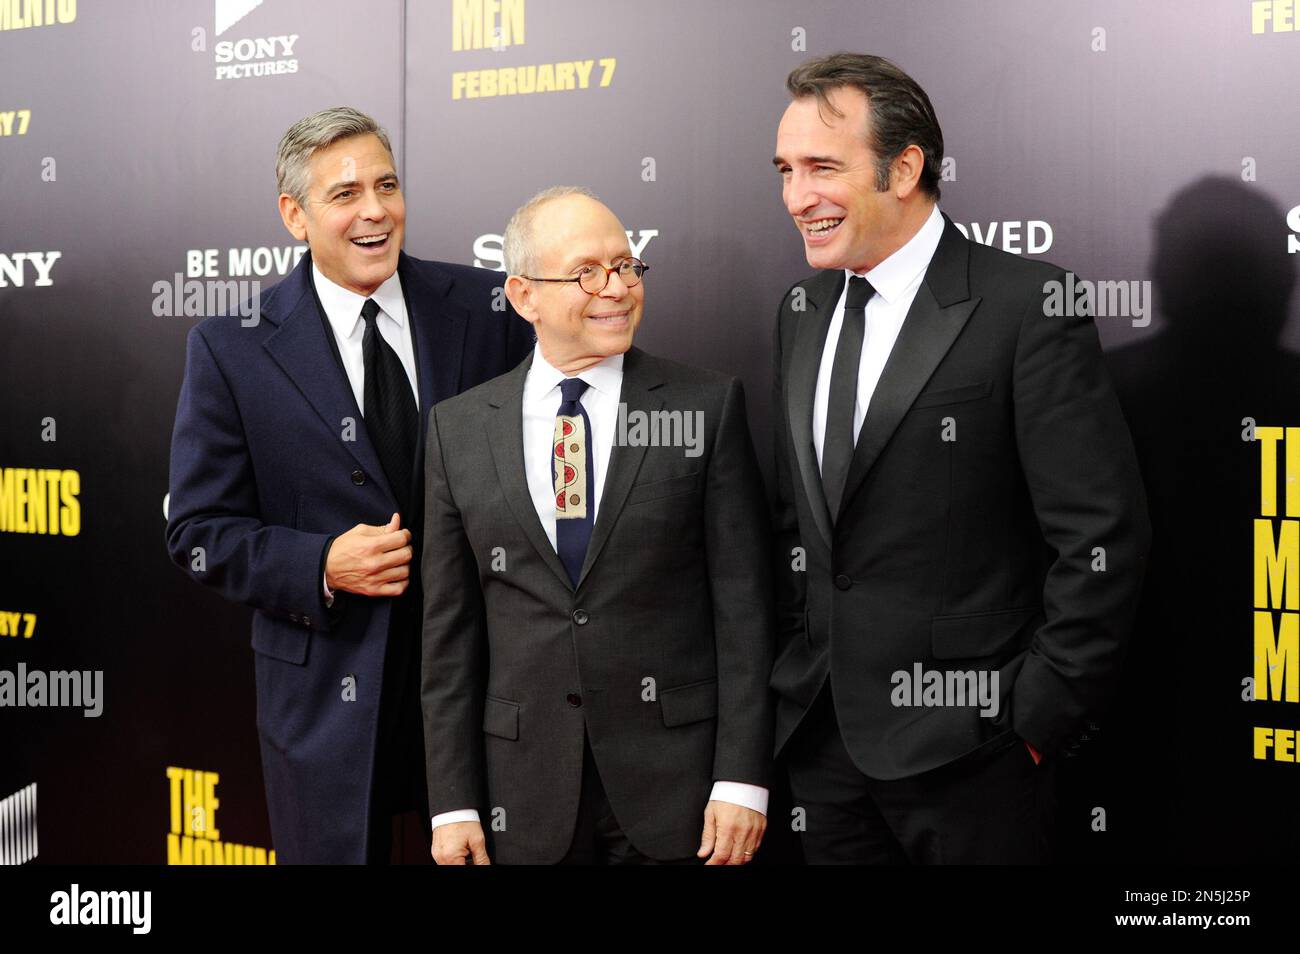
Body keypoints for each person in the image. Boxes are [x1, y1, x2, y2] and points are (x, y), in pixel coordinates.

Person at [768, 53, 1151, 863]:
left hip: (973, 757)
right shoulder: (801, 310)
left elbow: (1099, 538)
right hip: (826, 756)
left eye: (822, 168)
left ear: (904, 167)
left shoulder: (1027, 307)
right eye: (786, 170)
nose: (797, 197)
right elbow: (795, 525)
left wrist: (1036, 721)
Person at [166, 106, 533, 863]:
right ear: (294, 216)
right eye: (345, 194)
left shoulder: (491, 309)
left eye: (387, 185)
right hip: (326, 694)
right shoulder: (230, 347)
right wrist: (319, 565)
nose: (375, 211)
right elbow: (197, 531)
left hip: (482, 688)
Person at [420, 187, 774, 864]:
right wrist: (455, 802)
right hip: (520, 797)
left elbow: (746, 613)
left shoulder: (706, 406)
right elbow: (448, 637)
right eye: (588, 272)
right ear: (524, 297)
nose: (616, 288)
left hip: (683, 796)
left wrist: (742, 780)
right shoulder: (457, 430)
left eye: (627, 266)